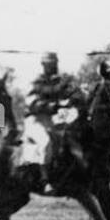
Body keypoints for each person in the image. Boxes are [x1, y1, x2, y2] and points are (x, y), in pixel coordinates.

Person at [23, 52, 80, 189]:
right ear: (44, 65)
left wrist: (76, 97)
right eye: (51, 64)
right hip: (34, 120)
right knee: (45, 142)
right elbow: (31, 103)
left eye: (55, 64)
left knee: (69, 139)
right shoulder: (35, 81)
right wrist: (53, 106)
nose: (54, 67)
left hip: (50, 119)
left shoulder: (59, 81)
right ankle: (45, 180)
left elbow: (72, 92)